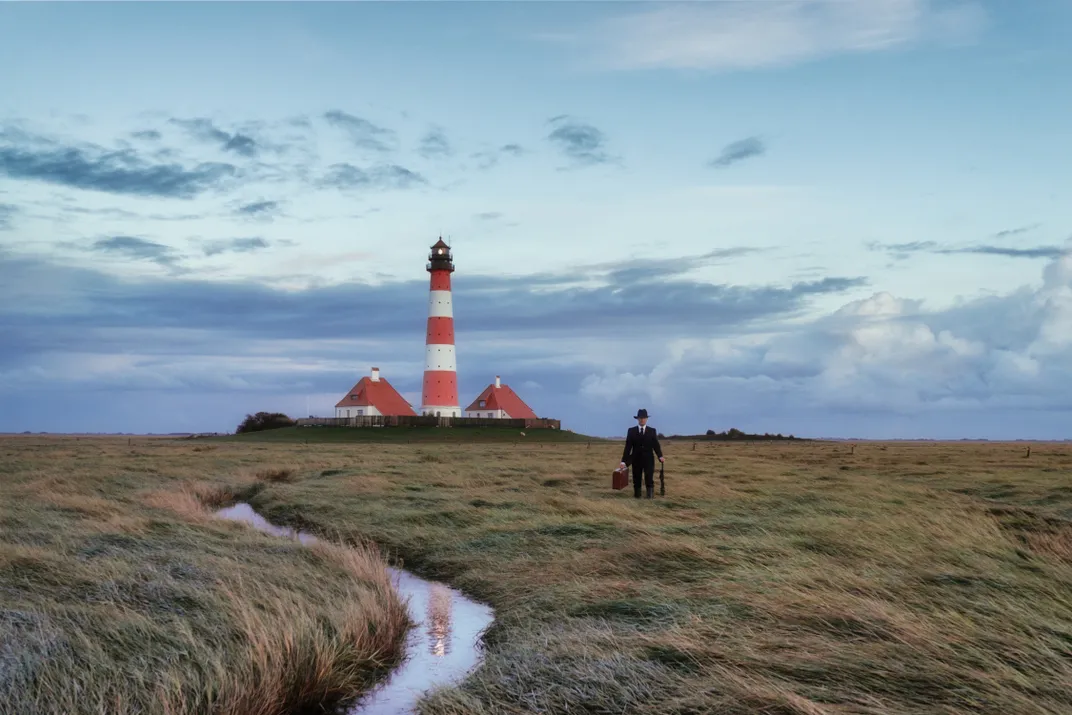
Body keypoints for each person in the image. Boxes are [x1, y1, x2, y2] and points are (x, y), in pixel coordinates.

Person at [619, 408, 664, 499]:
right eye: (640, 418)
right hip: (636, 459)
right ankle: (637, 496)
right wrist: (623, 461)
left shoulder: (652, 431)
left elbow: (656, 445)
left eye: (644, 418)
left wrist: (660, 456)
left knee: (649, 478)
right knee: (636, 478)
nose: (642, 419)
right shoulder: (631, 431)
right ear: (637, 419)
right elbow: (628, 447)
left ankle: (649, 496)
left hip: (649, 459)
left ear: (647, 419)